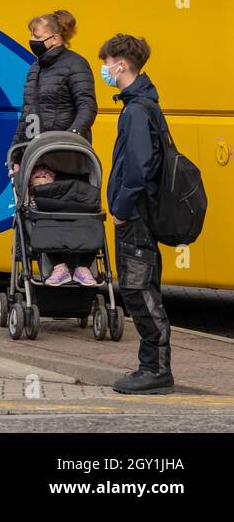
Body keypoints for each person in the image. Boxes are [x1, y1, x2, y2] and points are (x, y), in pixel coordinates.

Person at [99, 34, 173, 395]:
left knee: (137, 289)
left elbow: (139, 166)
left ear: (121, 65)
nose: (105, 70)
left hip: (136, 216)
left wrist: (123, 208)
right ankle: (152, 367)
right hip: (138, 213)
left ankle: (156, 369)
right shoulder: (141, 104)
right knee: (138, 287)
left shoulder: (137, 110)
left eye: (107, 63)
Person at [10, 10, 97, 286]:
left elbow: (87, 106)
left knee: (76, 210)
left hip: (70, 156)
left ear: (55, 37)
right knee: (43, 212)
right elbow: (27, 115)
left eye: (36, 35)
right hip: (40, 157)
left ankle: (83, 266)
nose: (32, 40)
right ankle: (57, 265)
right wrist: (16, 152)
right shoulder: (35, 69)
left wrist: (70, 137)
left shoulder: (76, 64)